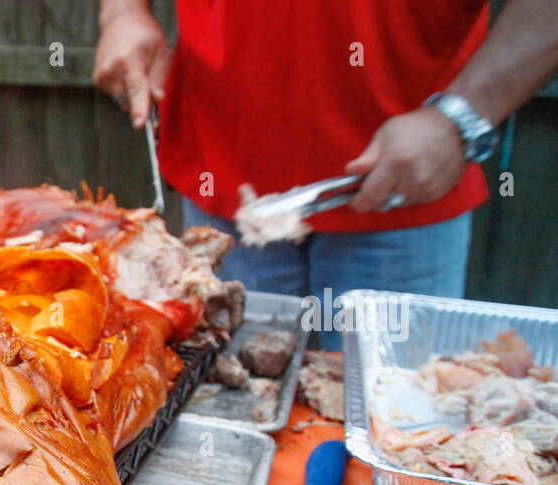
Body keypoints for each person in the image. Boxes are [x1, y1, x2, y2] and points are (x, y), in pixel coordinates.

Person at [93, 0, 558, 347]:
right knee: (230, 395)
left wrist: (462, 117)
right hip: (221, 167)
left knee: (399, 422)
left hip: (405, 186)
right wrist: (122, 11)